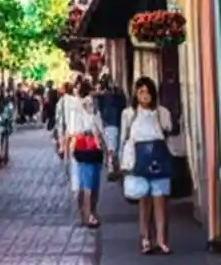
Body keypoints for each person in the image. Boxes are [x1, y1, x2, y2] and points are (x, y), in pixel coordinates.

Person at [120, 76, 175, 255]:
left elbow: (168, 132)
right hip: (139, 160)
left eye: (147, 91)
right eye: (140, 91)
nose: (144, 95)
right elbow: (124, 139)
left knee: (160, 201)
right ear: (135, 94)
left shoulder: (161, 112)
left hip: (158, 160)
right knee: (144, 201)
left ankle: (161, 239)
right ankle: (144, 238)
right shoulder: (129, 114)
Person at [67, 90, 108, 228]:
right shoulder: (78, 115)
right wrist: (87, 132)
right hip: (84, 152)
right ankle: (87, 213)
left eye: (92, 103)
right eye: (87, 103)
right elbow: (73, 132)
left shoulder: (97, 116)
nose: (90, 106)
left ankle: (93, 210)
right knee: (87, 186)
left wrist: (107, 149)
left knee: (95, 185)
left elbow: (102, 133)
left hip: (96, 153)